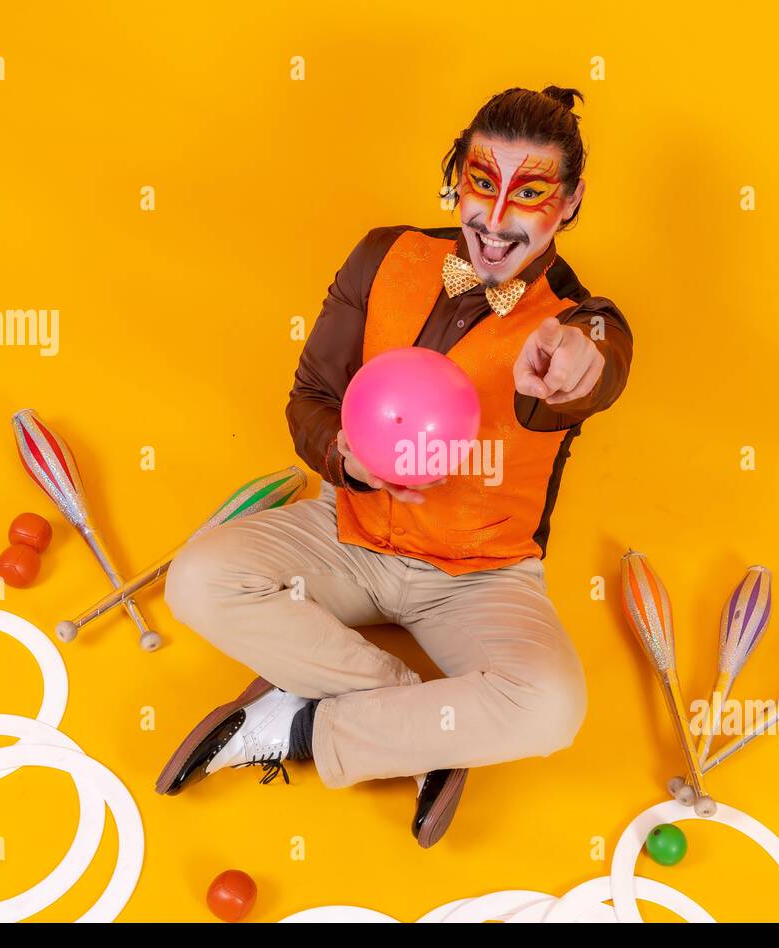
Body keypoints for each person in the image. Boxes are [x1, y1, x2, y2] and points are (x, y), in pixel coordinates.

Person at [156, 85, 633, 848]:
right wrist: (342, 456)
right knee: (195, 578)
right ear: (455, 177)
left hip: (480, 575)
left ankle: (301, 725)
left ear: (570, 204)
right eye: (483, 181)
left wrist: (579, 359)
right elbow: (311, 396)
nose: (497, 217)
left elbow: (602, 364)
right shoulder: (386, 253)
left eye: (532, 192)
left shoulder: (579, 321)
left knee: (551, 707)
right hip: (347, 531)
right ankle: (421, 724)